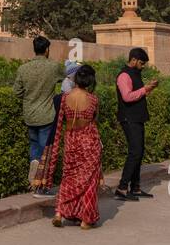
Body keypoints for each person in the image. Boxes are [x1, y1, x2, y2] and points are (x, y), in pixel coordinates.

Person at [42, 65, 105, 230]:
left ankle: (59, 213)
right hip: (89, 141)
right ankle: (85, 219)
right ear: (90, 81)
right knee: (89, 181)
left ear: (76, 79)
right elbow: (94, 120)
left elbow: (59, 122)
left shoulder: (64, 98)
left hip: (71, 140)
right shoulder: (93, 99)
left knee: (69, 177)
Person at [13, 36, 64, 196]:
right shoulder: (53, 66)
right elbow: (66, 79)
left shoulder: (23, 69)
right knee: (45, 152)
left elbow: (17, 92)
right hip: (46, 115)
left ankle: (34, 183)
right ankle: (42, 187)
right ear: (47, 49)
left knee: (34, 150)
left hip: (30, 115)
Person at [115, 47, 159, 200]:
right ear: (133, 60)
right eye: (141, 62)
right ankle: (121, 188)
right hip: (129, 118)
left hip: (137, 117)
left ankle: (135, 187)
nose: (143, 65)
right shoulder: (124, 75)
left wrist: (148, 89)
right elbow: (127, 97)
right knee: (135, 152)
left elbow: (137, 94)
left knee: (139, 152)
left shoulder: (135, 73)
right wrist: (144, 89)